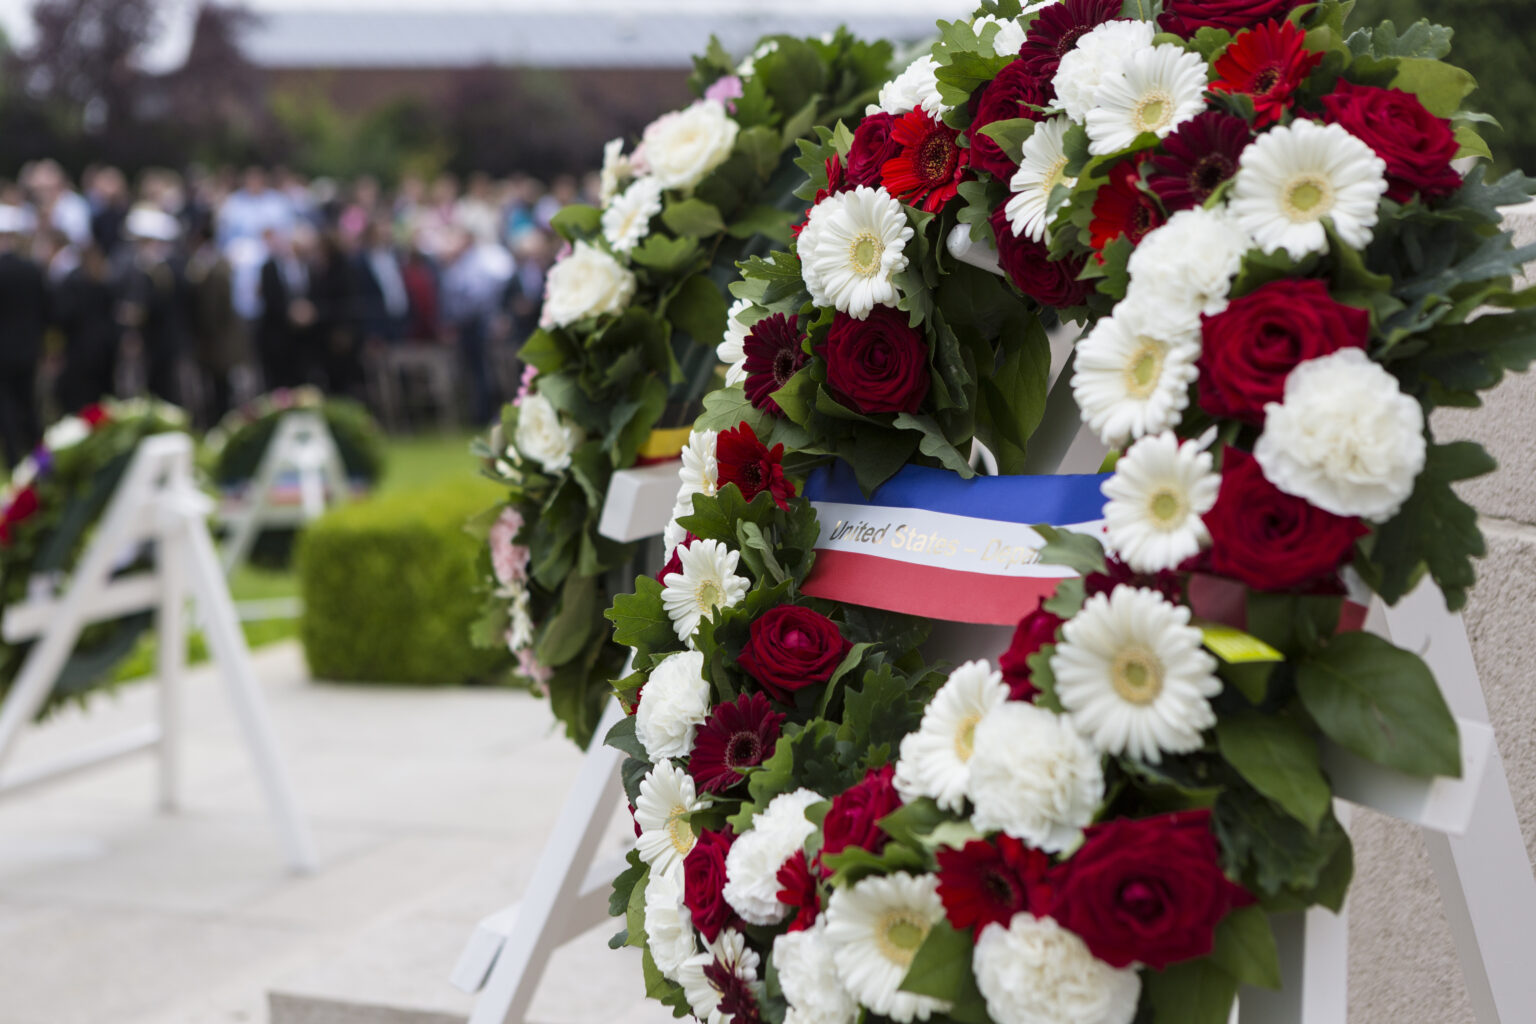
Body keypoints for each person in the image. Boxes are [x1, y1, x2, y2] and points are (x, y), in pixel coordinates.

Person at [119, 207, 186, 405]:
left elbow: (158, 303)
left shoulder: (162, 268)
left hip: (164, 338)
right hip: (155, 338)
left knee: (166, 386)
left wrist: (135, 314)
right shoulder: (153, 267)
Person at [0, 207, 49, 466]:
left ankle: (14, 461)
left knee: (6, 408)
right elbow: (46, 310)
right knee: (30, 406)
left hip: (3, 353)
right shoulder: (32, 269)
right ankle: (41, 461)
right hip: (30, 351)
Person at [53, 244, 122, 413]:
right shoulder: (103, 283)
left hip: (88, 354)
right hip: (92, 353)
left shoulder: (77, 283)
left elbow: (63, 316)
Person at [184, 222, 239, 425]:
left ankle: (222, 421)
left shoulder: (214, 266)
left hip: (217, 338)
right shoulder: (207, 265)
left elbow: (216, 307)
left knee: (221, 385)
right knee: (212, 384)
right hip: (210, 338)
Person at [256, 227, 315, 390]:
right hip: (278, 334)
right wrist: (291, 313)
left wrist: (306, 312)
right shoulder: (268, 268)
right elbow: (270, 299)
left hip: (302, 336)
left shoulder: (305, 265)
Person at [352, 217, 409, 347]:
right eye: (381, 232)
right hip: (375, 323)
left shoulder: (393, 256)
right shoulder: (360, 261)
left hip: (397, 318)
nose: (385, 235)